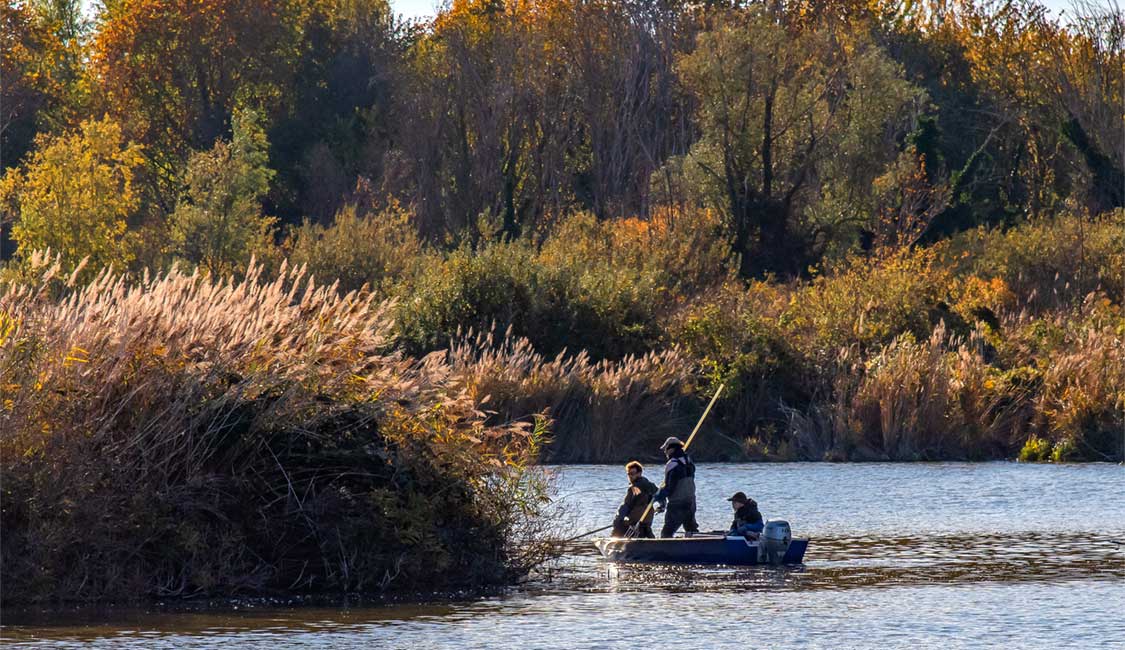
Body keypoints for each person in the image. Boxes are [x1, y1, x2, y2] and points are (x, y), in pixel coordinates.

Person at [651, 437, 699, 538]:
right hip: (691, 502)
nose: (665, 452)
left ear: (671, 449)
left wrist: (657, 497)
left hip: (677, 504)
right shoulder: (689, 461)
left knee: (666, 533)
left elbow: (669, 488)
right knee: (691, 531)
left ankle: (666, 551)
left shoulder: (672, 464)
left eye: (666, 449)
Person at [612, 461, 658, 538]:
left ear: (639, 473)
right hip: (648, 520)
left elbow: (625, 506)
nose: (630, 476)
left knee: (618, 526)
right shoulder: (651, 486)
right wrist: (661, 507)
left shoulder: (634, 488)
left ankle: (614, 543)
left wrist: (617, 520)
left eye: (632, 473)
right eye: (628, 474)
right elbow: (660, 497)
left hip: (635, 521)